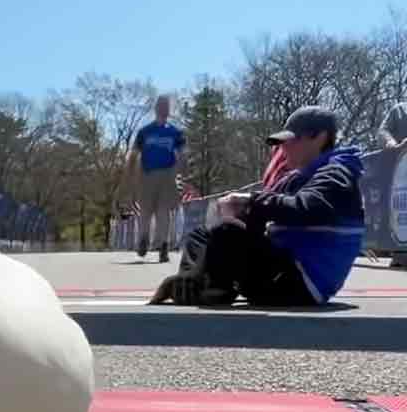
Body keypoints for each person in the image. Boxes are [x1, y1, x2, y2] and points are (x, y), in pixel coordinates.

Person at [150, 106, 365, 307]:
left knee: (227, 234)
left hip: (302, 283)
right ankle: (188, 283)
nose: (283, 148)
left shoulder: (337, 173)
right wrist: (242, 213)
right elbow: (267, 218)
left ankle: (208, 290)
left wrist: (248, 201)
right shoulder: (298, 178)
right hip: (282, 266)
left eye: (292, 140)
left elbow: (307, 207)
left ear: (319, 137)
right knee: (202, 235)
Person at [126, 94, 187, 263]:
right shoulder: (144, 132)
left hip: (168, 174)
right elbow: (134, 153)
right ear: (156, 109)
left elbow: (183, 154)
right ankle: (143, 239)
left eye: (166, 106)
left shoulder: (175, 132)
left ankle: (163, 246)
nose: (164, 109)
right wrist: (131, 173)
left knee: (163, 212)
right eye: (161, 106)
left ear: (169, 110)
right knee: (145, 211)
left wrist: (181, 173)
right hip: (147, 175)